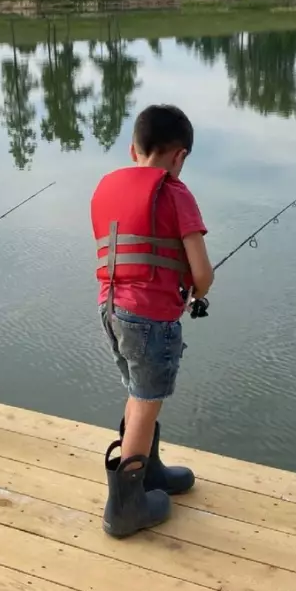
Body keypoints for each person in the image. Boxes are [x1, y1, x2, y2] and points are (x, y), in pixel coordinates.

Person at [91, 104, 214, 538]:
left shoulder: (110, 187)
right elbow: (201, 272)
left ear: (133, 150)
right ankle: (125, 507)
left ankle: (149, 472)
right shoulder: (176, 193)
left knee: (137, 392)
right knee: (145, 400)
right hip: (150, 319)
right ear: (180, 156)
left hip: (110, 309)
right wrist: (199, 289)